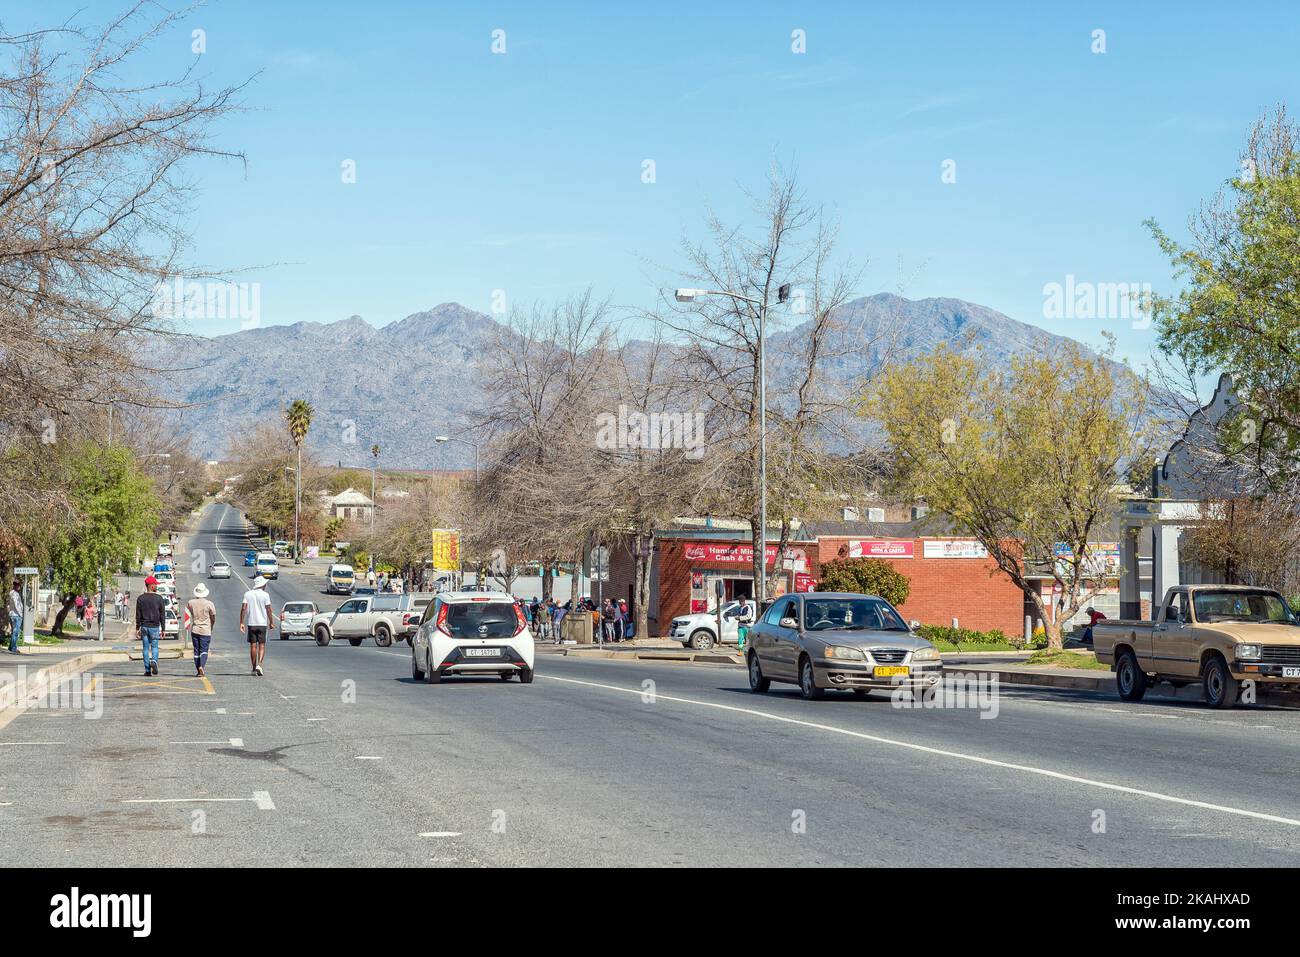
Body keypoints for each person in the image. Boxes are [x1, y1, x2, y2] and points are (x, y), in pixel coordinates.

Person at [239, 576, 275, 676]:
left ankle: (254, 668)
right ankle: (259, 664)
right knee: (262, 645)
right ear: (263, 585)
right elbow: (268, 609)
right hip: (262, 624)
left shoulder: (248, 594)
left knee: (253, 645)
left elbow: (243, 608)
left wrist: (241, 622)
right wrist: (271, 622)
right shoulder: (265, 595)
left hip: (251, 623)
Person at [134, 576, 167, 676]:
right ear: (151, 586)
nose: (156, 586)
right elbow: (162, 615)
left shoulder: (140, 599)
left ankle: (148, 670)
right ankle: (154, 661)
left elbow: (138, 615)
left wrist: (137, 628)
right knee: (154, 647)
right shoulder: (159, 598)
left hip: (144, 626)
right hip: (154, 627)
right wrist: (163, 629)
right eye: (155, 584)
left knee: (145, 648)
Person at [186, 583, 217, 678]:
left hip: (195, 629)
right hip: (205, 630)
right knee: (204, 650)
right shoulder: (209, 604)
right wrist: (211, 625)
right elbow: (213, 616)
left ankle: (198, 670)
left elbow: (187, 613)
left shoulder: (191, 603)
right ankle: (202, 666)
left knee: (196, 651)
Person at [7, 579, 24, 654]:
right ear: (17, 586)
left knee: (14, 631)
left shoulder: (11, 593)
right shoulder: (15, 594)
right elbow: (17, 605)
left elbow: (9, 605)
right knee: (16, 632)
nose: (19, 587)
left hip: (12, 614)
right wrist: (20, 614)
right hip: (16, 615)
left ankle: (11, 646)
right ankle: (13, 648)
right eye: (18, 585)